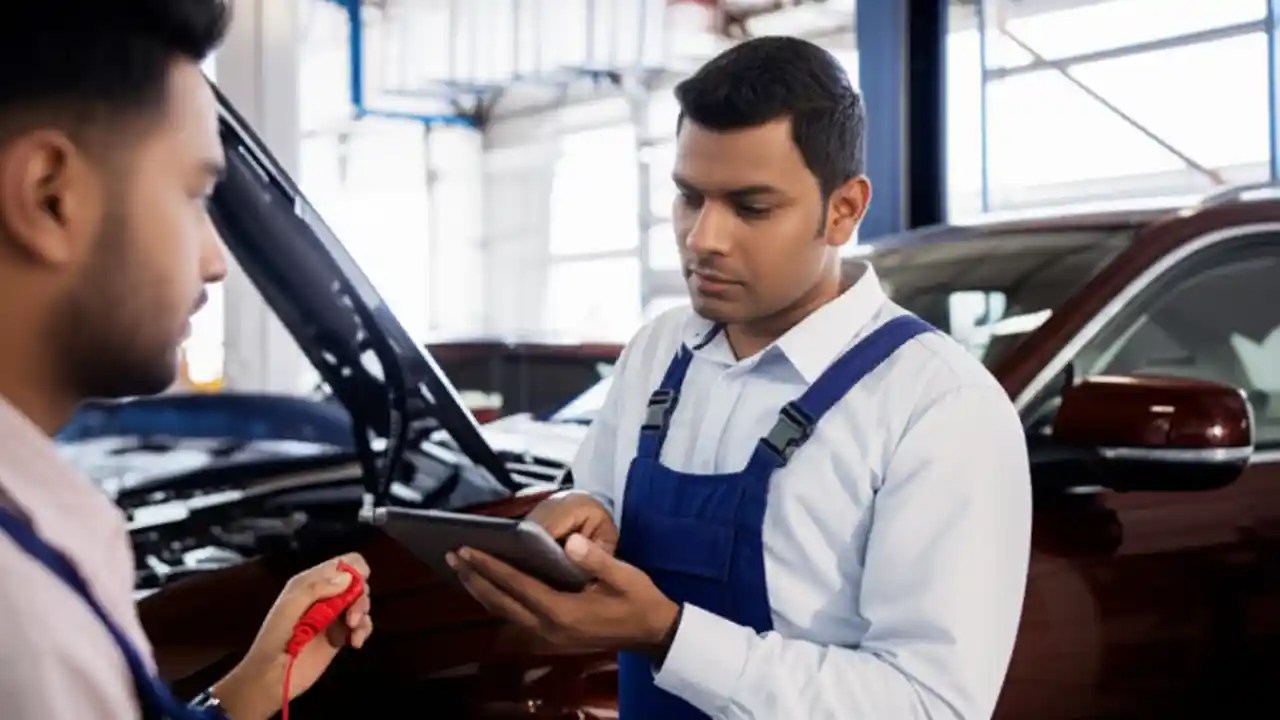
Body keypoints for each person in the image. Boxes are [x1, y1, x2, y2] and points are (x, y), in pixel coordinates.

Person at [448, 36, 1031, 719]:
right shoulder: (660, 350)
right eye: (689, 197)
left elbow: (932, 704)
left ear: (843, 209)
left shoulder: (937, 405)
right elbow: (600, 488)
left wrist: (668, 634)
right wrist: (589, 516)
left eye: (750, 208)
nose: (702, 238)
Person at [0, 2, 373, 718]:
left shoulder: (39, 519)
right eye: (195, 194)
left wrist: (257, 683)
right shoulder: (22, 624)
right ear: (50, 195)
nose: (214, 261)